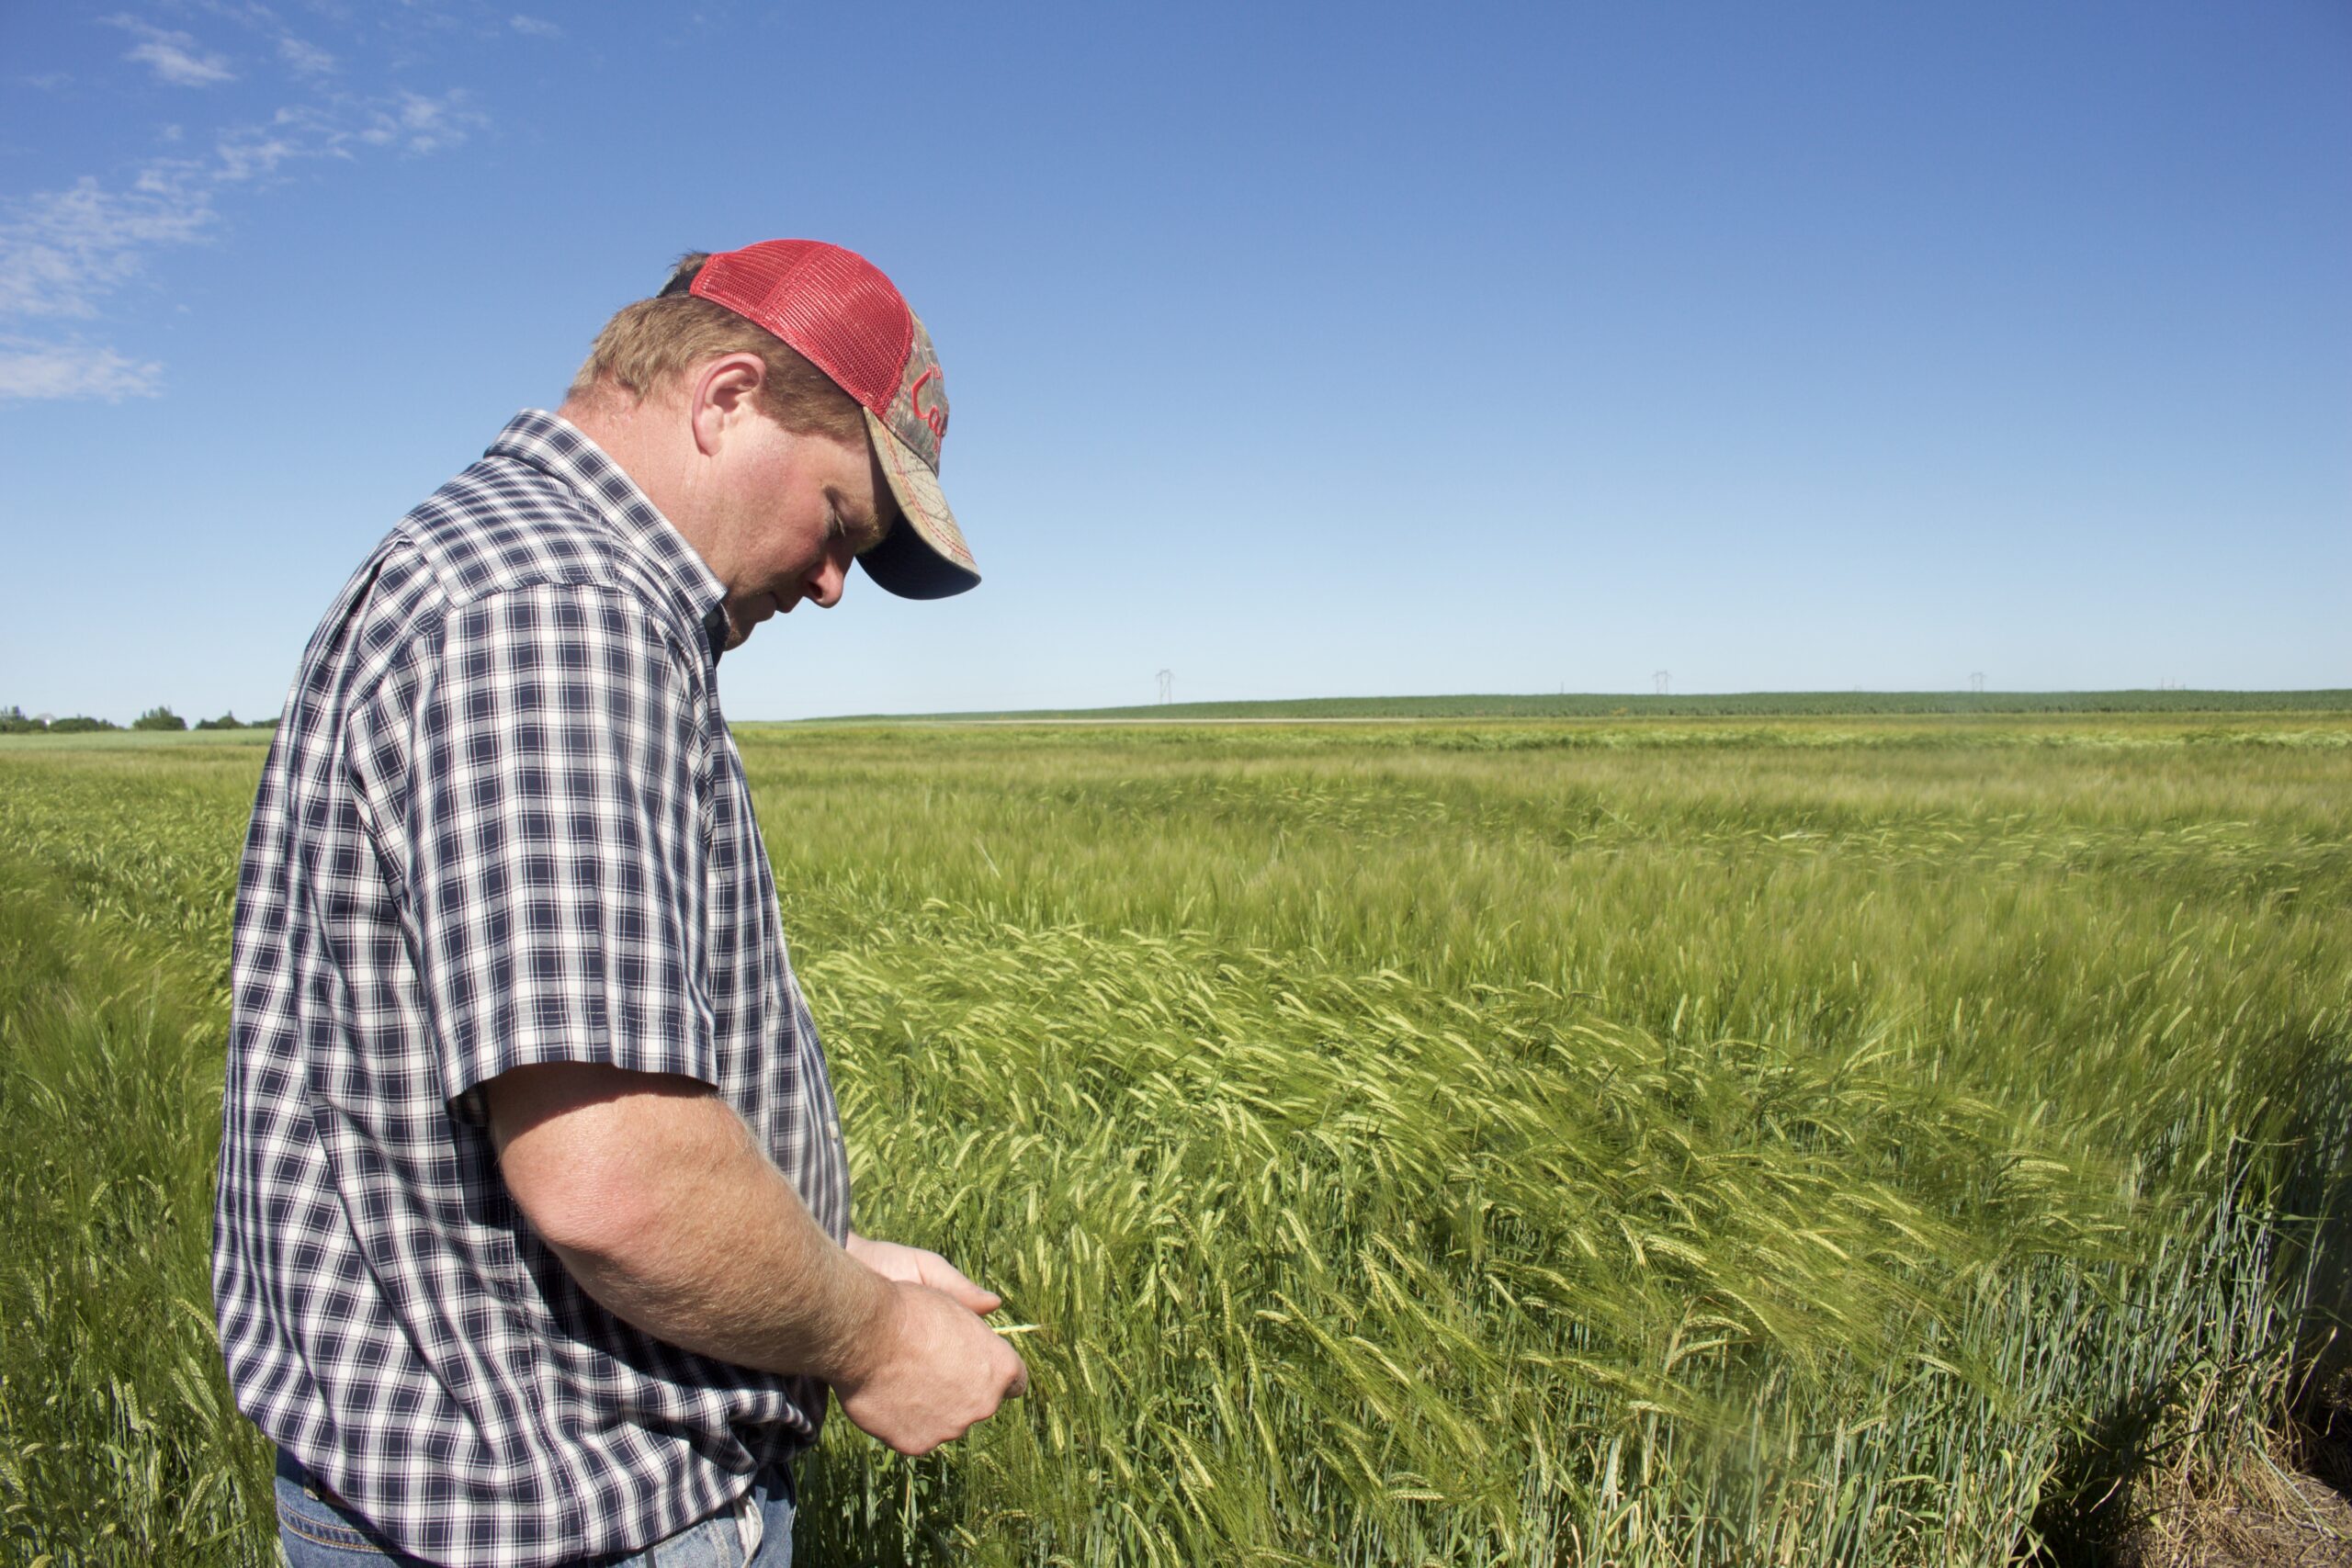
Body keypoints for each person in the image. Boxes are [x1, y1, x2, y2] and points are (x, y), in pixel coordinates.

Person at [212, 240, 1024, 1568]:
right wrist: (873, 1341)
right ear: (726, 399)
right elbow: (615, 1183)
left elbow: (508, 1130)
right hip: (572, 1510)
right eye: (840, 520)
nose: (830, 584)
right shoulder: (560, 610)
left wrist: (824, 1257)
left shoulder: (483, 562)